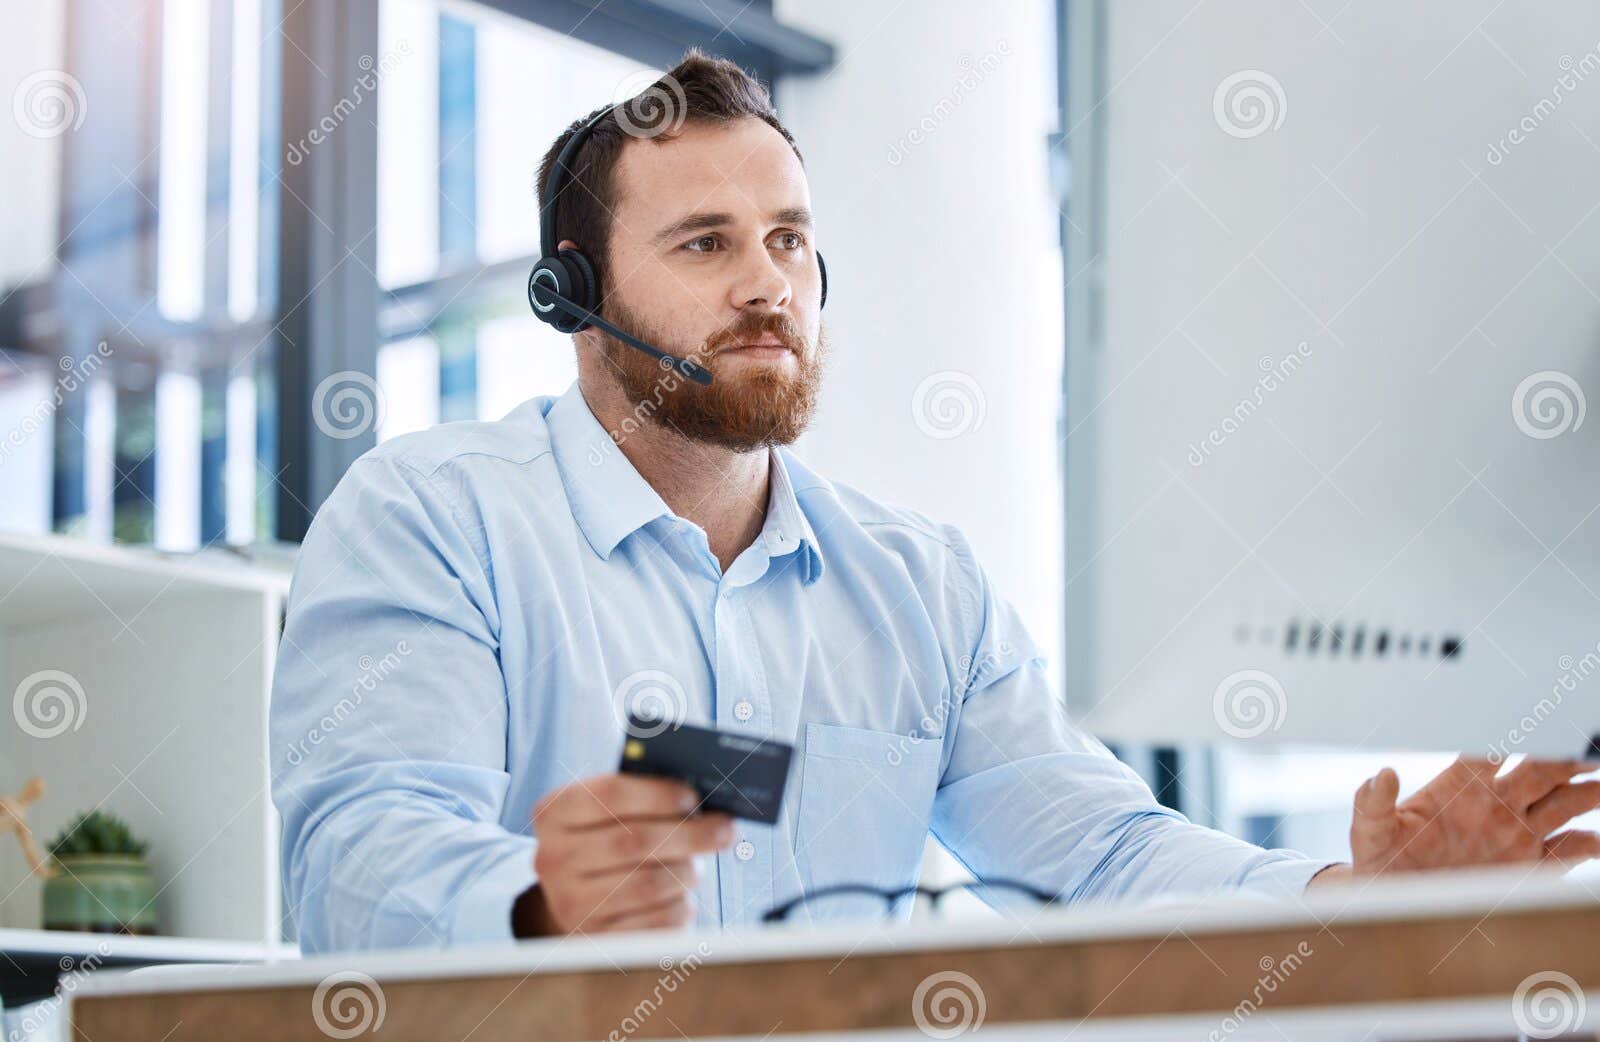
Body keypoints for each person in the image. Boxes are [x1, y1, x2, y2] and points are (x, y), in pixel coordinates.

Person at [269, 50, 1600, 953]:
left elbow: (1100, 856)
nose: (768, 284)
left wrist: (1354, 901)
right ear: (571, 294)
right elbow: (354, 854)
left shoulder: (920, 584)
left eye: (790, 239)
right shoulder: (433, 518)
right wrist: (538, 897)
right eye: (705, 243)